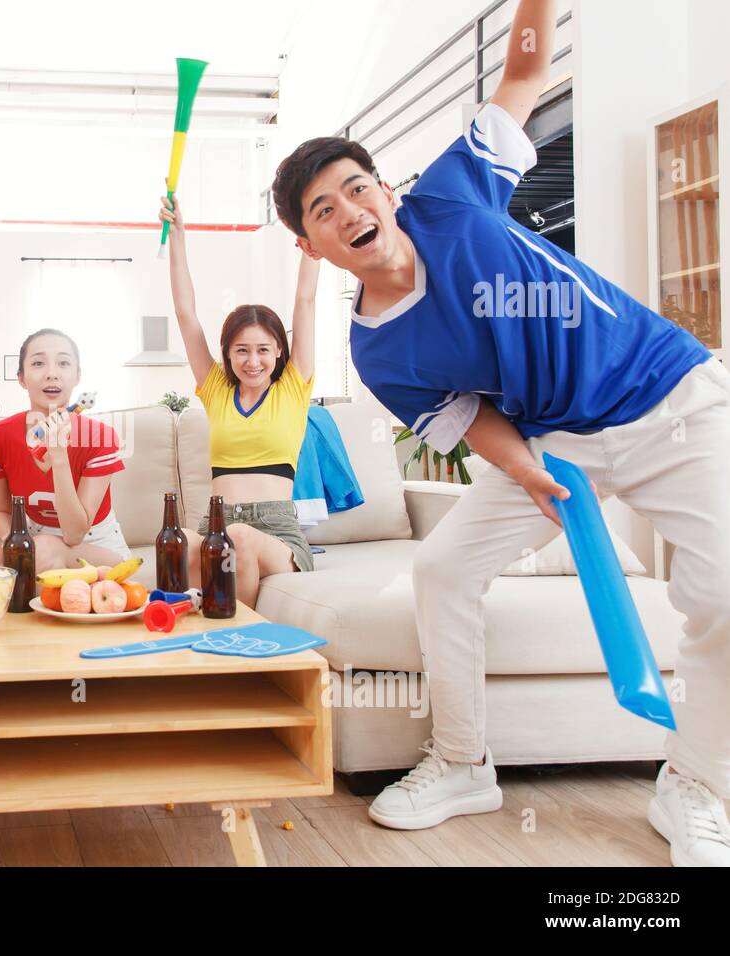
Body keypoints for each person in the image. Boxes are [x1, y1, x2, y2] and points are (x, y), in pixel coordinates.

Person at [272, 0, 730, 865]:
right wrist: (531, 474)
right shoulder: (380, 355)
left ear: (388, 192)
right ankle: (460, 762)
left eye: (356, 188)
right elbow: (473, 418)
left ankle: (698, 783)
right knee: (442, 568)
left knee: (726, 599)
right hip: (556, 439)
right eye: (323, 211)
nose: (348, 211)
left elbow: (524, 72)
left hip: (672, 398)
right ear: (315, 245)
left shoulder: (453, 189)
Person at [160, 191, 318, 609]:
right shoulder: (215, 388)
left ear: (279, 352)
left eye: (263, 350)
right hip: (216, 521)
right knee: (178, 544)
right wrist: (179, 237)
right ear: (227, 353)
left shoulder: (292, 386)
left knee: (242, 539)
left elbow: (305, 301)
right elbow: (185, 313)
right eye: (242, 350)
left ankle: (239, 642)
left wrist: (312, 246)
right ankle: (186, 642)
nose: (253, 361)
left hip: (275, 531)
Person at [0, 329, 130, 571]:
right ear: (22, 378)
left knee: (45, 549)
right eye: (38, 363)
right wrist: (15, 543)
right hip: (36, 540)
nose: (51, 374)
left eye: (64, 363)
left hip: (96, 544)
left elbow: (74, 534)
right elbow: (2, 511)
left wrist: (59, 456)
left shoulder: (100, 437)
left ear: (77, 376)